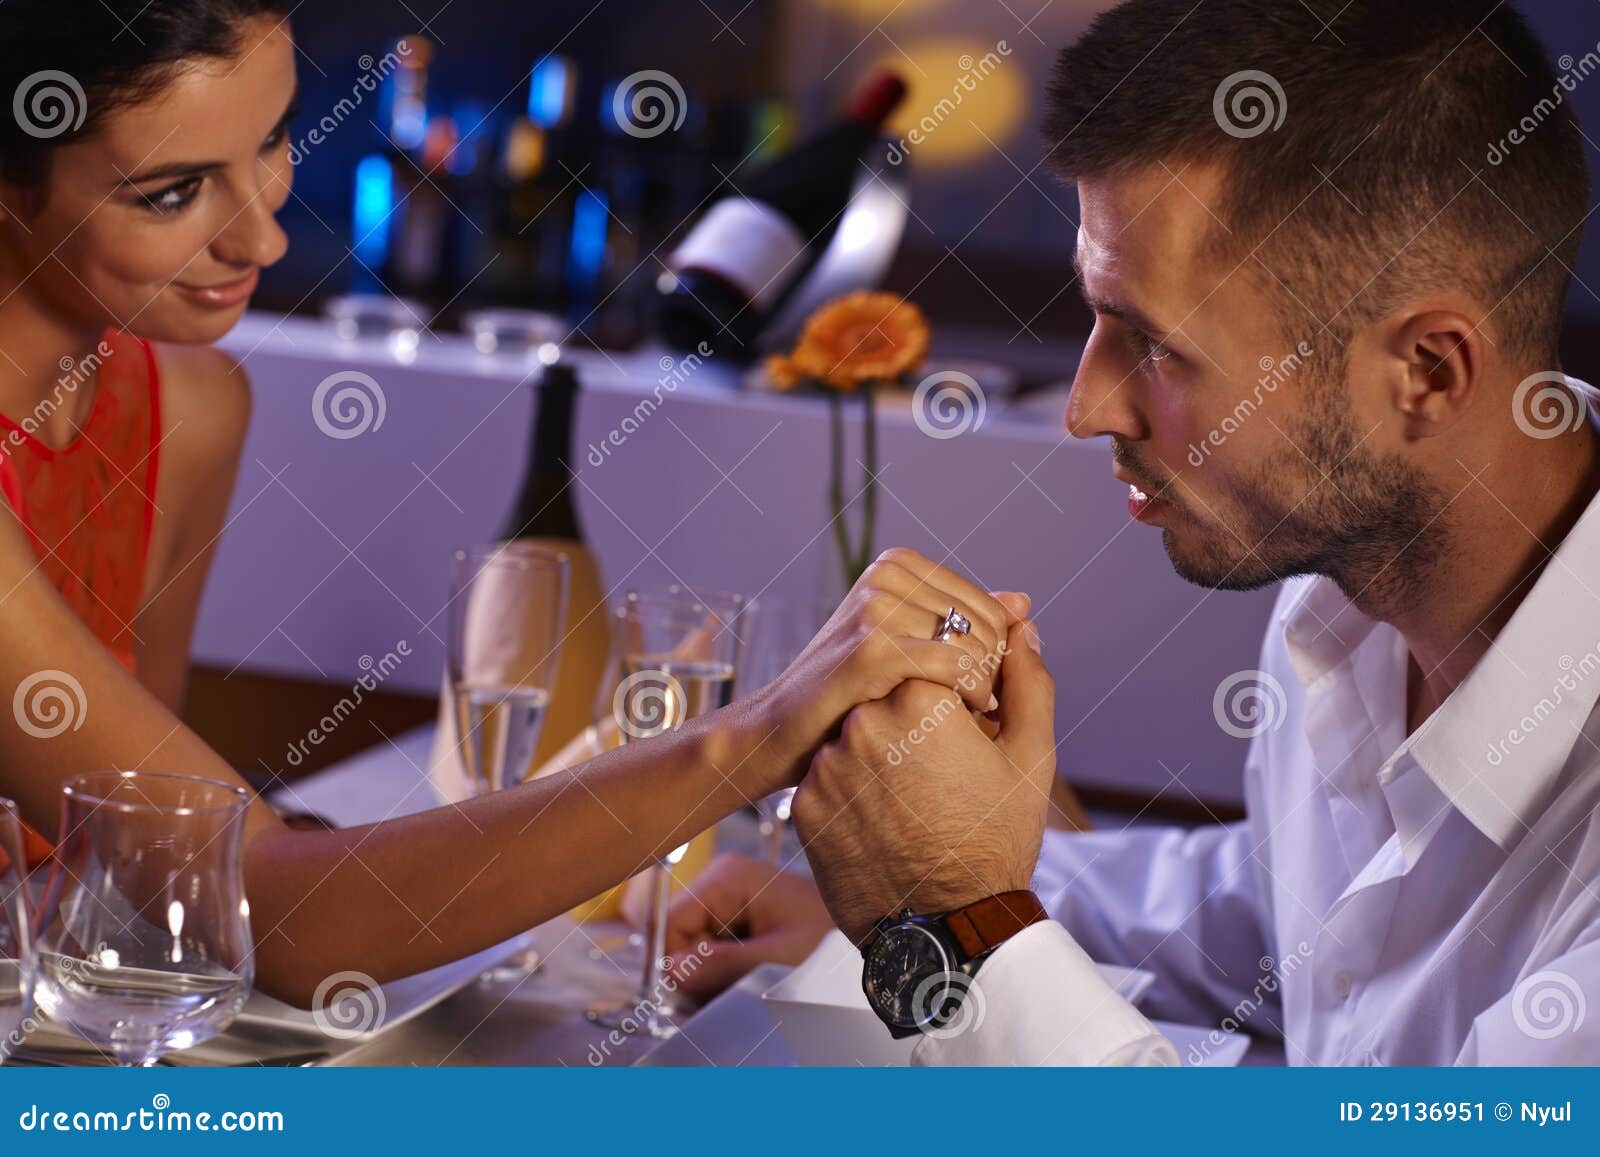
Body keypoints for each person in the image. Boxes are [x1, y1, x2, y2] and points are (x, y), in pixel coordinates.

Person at [0, 0, 1040, 1010]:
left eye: (271, 143)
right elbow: (267, 910)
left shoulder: (186, 406)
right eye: (172, 192)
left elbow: (156, 854)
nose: (261, 240)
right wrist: (763, 729)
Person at [661, 0, 1600, 1065]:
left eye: (1154, 344)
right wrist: (889, 903)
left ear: (1426, 372)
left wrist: (960, 924)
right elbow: (1293, 919)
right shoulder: (1343, 597)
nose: (1087, 406)